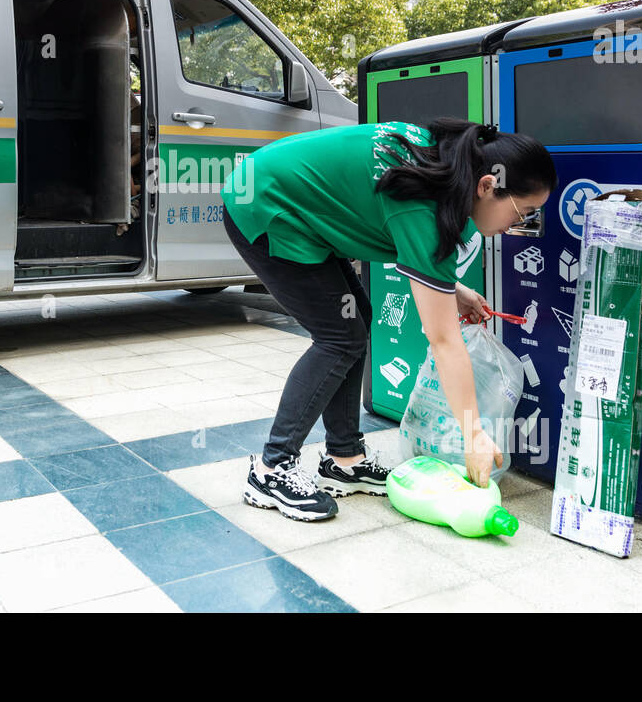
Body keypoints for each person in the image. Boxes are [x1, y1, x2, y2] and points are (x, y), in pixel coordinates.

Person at [219, 117, 557, 521]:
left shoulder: (444, 168)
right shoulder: (427, 204)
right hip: (265, 201)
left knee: (353, 323)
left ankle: (345, 459)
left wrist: (456, 292)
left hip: (293, 200)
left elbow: (413, 249)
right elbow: (444, 340)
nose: (517, 225)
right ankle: (271, 469)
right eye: (523, 212)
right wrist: (474, 434)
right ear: (487, 186)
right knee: (339, 336)